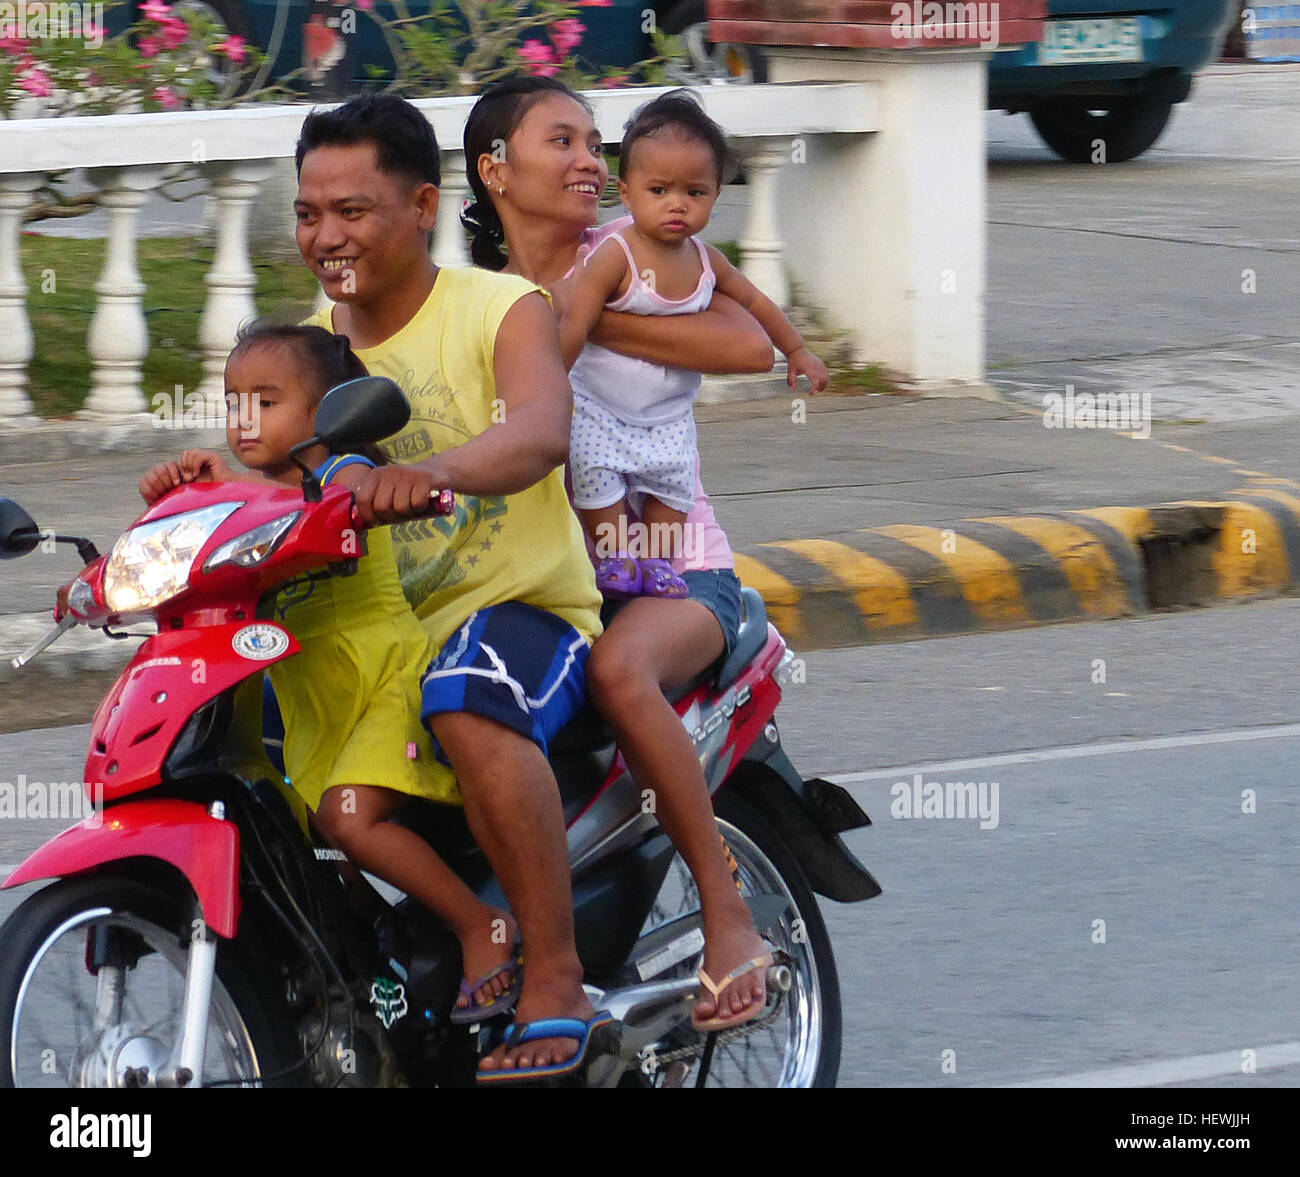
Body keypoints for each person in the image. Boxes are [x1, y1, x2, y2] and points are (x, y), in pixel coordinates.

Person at [462, 76, 819, 1034]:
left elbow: (748, 344)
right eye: (564, 141)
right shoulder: (464, 292)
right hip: (551, 577)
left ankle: (725, 910)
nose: (590, 161)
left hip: (673, 565)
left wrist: (573, 318)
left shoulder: (625, 255)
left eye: (593, 143)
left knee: (625, 673)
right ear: (495, 171)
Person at [292, 93, 613, 1081]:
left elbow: (537, 430)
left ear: (423, 204)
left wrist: (427, 476)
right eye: (308, 213)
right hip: (391, 625)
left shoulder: (499, 307)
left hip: (523, 611)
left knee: (467, 699)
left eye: (352, 210)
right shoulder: (316, 333)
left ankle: (553, 974)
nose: (325, 236)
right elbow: (286, 462)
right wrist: (192, 493)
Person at [138, 323, 523, 1026]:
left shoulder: (336, 470)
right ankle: (384, 948)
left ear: (326, 415)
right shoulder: (256, 495)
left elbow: (348, 489)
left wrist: (377, 490)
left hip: (381, 684)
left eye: (266, 400)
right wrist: (185, 494)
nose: (242, 418)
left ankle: (480, 927)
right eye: (232, 402)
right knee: (306, 839)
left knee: (350, 817)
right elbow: (229, 528)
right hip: (316, 709)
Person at [556, 90, 828, 601]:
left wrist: (797, 350)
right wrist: (551, 377)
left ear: (717, 195)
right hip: (600, 410)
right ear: (628, 191)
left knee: (670, 495)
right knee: (596, 483)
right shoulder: (616, 254)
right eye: (659, 190)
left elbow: (760, 304)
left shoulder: (707, 262)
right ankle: (615, 561)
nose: (676, 204)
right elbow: (578, 320)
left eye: (694, 192)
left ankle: (655, 566)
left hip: (668, 419)